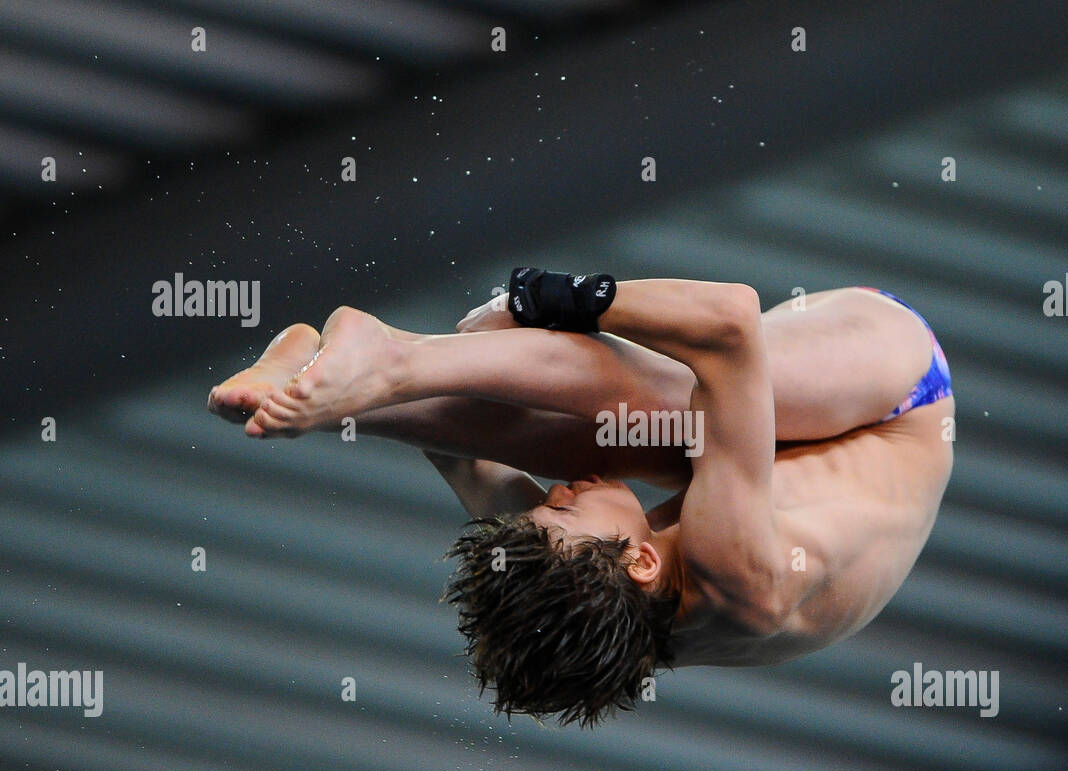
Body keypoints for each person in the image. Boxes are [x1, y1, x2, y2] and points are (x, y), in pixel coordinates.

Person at [207, 273, 954, 727]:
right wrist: (568, 295)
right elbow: (728, 325)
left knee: (555, 429)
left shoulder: (600, 603)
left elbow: (470, 461)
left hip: (774, 453)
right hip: (897, 391)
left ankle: (325, 376)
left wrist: (317, 409)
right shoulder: (740, 573)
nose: (558, 497)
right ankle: (395, 357)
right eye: (562, 511)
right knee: (649, 400)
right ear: (639, 560)